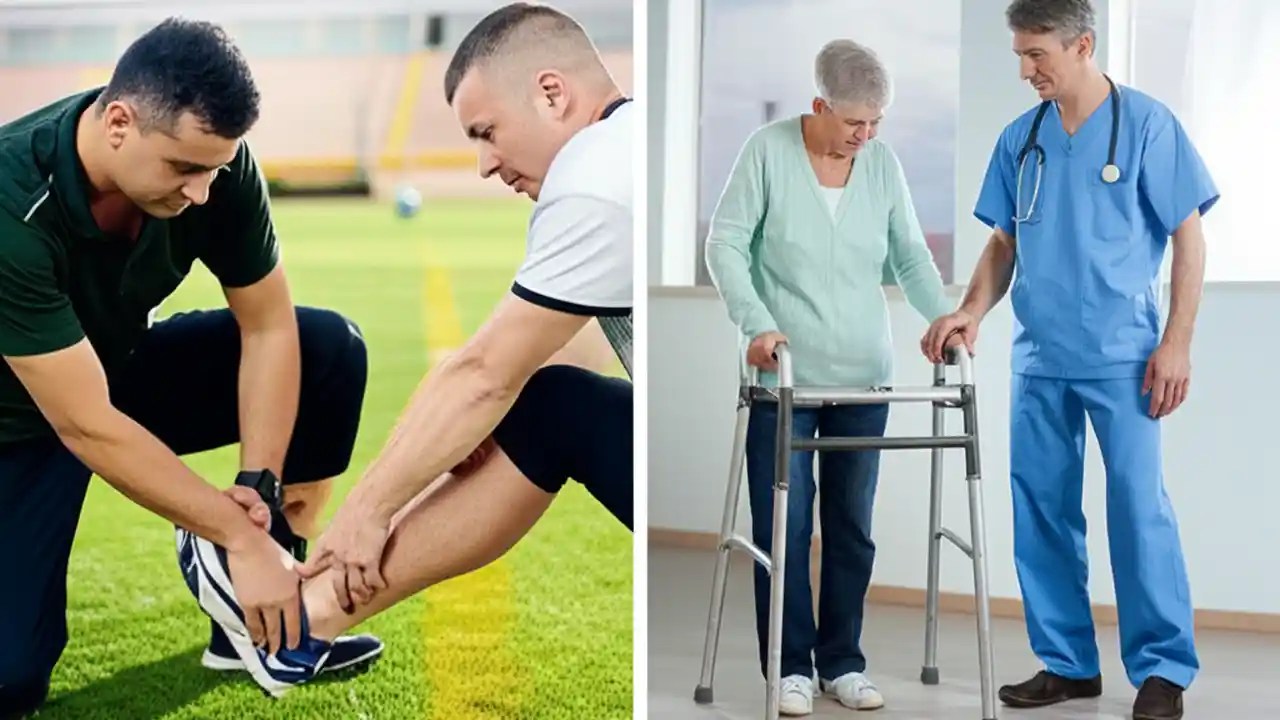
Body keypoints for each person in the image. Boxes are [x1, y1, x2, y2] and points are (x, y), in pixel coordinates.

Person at [174, 1, 634, 697]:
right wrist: (477, 430)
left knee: (542, 405)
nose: (483, 165)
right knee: (550, 407)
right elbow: (564, 356)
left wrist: (367, 512)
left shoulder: (596, 177)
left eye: (487, 133)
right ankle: (305, 624)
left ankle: (301, 620)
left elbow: (483, 372)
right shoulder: (625, 152)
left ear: (551, 93)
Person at [0, 18, 384, 718]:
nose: (203, 191)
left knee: (330, 348)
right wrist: (231, 530)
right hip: (19, 420)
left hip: (116, 370)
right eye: (184, 169)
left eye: (214, 168)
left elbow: (268, 327)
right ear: (119, 123)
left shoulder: (218, 166)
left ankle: (250, 622)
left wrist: (256, 496)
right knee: (10, 678)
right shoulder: (10, 201)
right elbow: (83, 425)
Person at [921, 2, 1215, 719]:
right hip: (1040, 358)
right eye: (1020, 55)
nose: (1025, 69)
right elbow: (1004, 242)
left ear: (1083, 44)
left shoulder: (1146, 125)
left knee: (1138, 511)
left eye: (1037, 55)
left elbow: (1189, 238)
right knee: (1043, 512)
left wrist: (1176, 341)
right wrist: (969, 310)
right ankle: (1067, 663)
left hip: (1127, 357)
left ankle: (1162, 669)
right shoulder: (1022, 140)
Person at [705, 39, 952, 716]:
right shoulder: (767, 151)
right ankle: (787, 667)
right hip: (782, 377)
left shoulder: (881, 164)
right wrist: (755, 323)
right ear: (819, 106)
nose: (865, 136)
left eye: (875, 124)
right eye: (854, 124)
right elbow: (724, 243)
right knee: (785, 525)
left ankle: (843, 661)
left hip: (862, 378)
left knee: (851, 526)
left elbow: (909, 257)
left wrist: (948, 317)